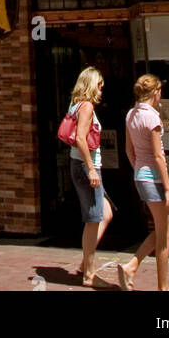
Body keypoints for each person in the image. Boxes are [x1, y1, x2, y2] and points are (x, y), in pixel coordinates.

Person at [118, 74, 169, 291]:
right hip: (154, 178)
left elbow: (128, 149)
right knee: (164, 236)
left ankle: (132, 266)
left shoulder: (131, 115)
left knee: (164, 229)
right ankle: (162, 287)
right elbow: (159, 155)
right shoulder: (152, 118)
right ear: (156, 92)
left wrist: (138, 170)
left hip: (141, 175)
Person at [66, 66, 113, 286]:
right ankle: (89, 275)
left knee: (106, 212)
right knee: (94, 218)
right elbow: (80, 139)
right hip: (86, 166)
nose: (102, 90)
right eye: (99, 85)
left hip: (81, 164)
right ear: (91, 84)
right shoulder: (85, 106)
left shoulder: (75, 105)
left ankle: (86, 263)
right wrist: (92, 168)